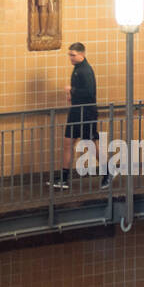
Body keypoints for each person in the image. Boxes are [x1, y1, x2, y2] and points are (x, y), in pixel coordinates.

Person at [48, 42, 107, 189]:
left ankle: (108, 172)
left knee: (91, 144)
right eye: (69, 55)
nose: (70, 58)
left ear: (82, 54)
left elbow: (89, 92)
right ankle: (64, 177)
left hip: (86, 112)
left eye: (73, 55)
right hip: (76, 111)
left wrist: (71, 89)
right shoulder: (77, 69)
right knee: (68, 142)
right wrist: (71, 94)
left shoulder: (85, 70)